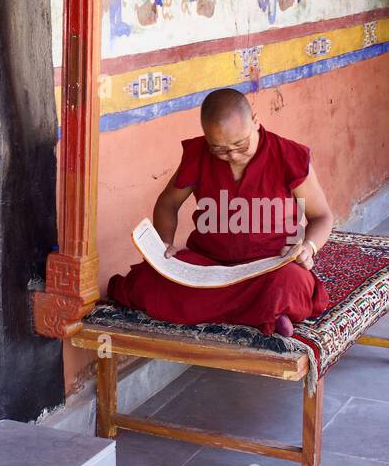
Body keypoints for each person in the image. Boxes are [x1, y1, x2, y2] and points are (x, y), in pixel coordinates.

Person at [107, 89, 332, 337]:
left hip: (269, 266)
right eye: (220, 150)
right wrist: (165, 245)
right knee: (149, 280)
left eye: (240, 144)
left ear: (255, 121)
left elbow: (321, 216)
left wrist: (308, 247)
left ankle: (258, 309)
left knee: (291, 284)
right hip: (208, 265)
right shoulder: (199, 154)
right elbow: (168, 203)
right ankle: (264, 315)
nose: (232, 155)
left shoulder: (289, 156)